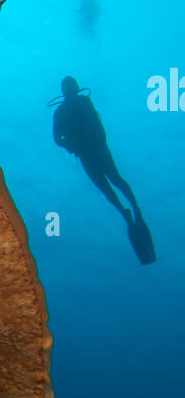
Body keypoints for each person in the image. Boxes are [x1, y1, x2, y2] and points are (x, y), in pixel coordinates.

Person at [50, 76, 156, 264]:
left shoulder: (80, 104)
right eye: (69, 87)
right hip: (88, 153)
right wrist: (72, 146)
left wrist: (75, 144)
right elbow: (58, 139)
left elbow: (96, 126)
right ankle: (126, 212)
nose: (71, 90)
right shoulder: (63, 111)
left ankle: (132, 210)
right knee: (109, 186)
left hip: (96, 151)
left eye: (72, 87)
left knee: (115, 182)